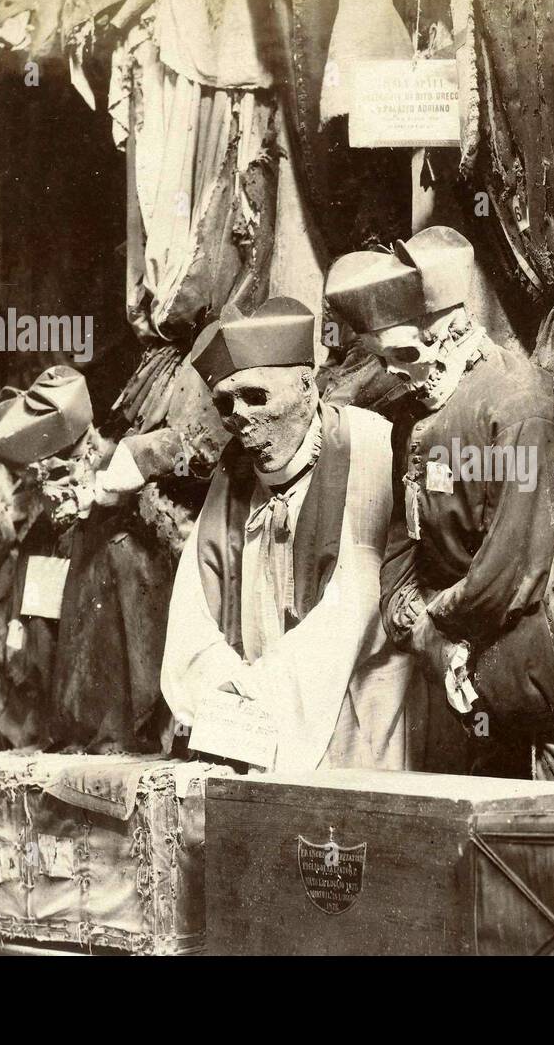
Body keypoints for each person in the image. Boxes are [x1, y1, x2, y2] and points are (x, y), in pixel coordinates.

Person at [325, 227, 554, 782]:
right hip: (467, 670)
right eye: (381, 360)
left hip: (546, 653)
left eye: (405, 356)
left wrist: (434, 625)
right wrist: (409, 618)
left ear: (451, 333)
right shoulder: (413, 417)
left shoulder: (514, 399)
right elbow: (400, 547)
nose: (394, 375)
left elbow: (514, 568)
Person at [160, 297, 416, 771]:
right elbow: (191, 613)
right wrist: (227, 694)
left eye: (256, 397)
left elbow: (357, 601)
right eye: (225, 404)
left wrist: (257, 695)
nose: (240, 418)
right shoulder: (232, 475)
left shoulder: (369, 445)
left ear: (305, 386)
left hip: (358, 709)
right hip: (252, 724)